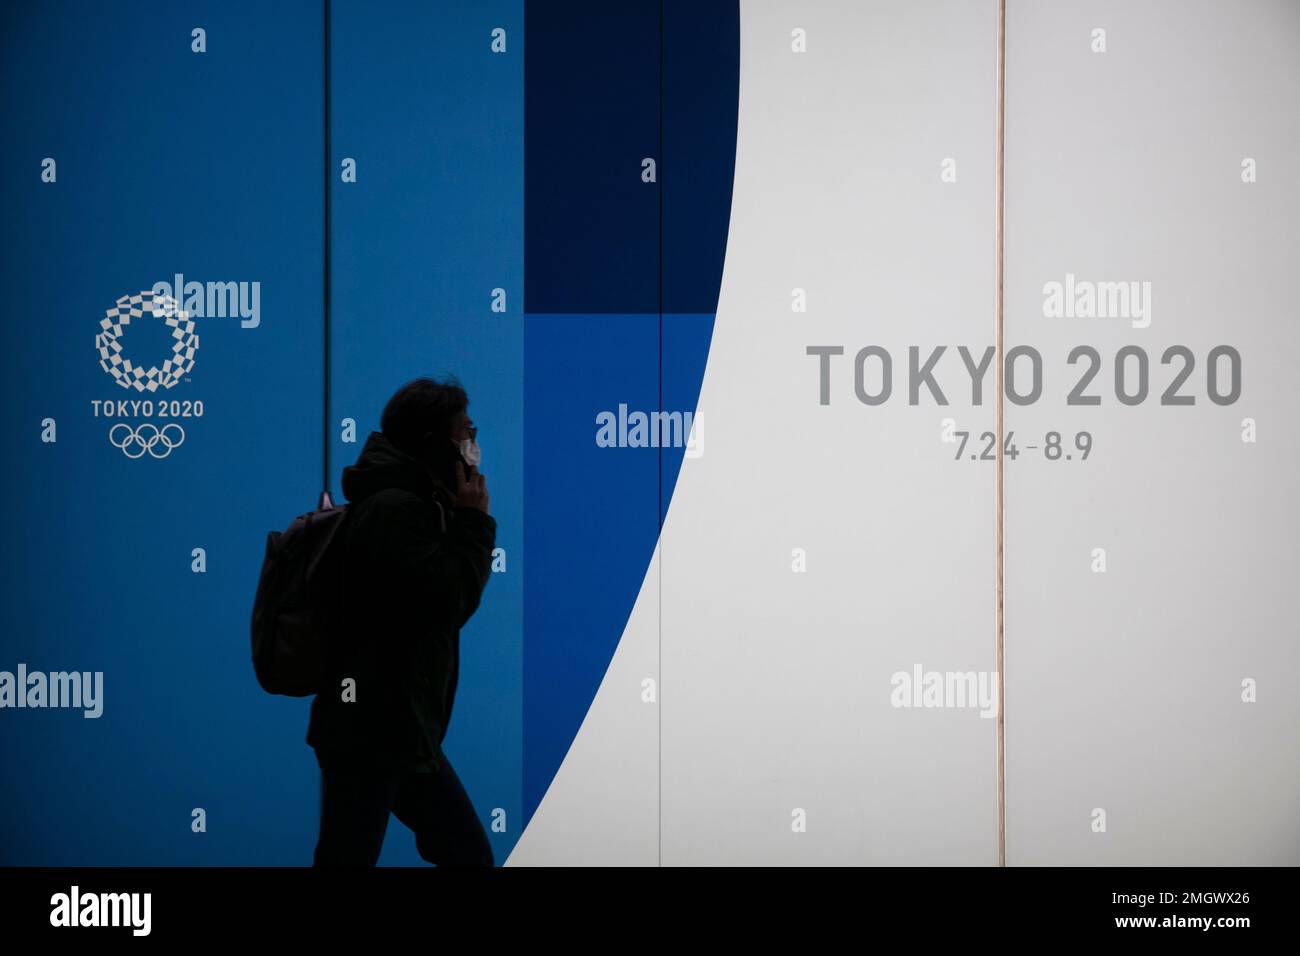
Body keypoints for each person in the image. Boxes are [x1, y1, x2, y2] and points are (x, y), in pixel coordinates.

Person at [306, 376, 496, 866]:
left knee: (465, 854)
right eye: (464, 432)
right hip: (371, 729)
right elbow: (450, 599)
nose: (472, 444)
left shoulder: (415, 503)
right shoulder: (394, 510)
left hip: (396, 729)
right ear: (432, 442)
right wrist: (474, 522)